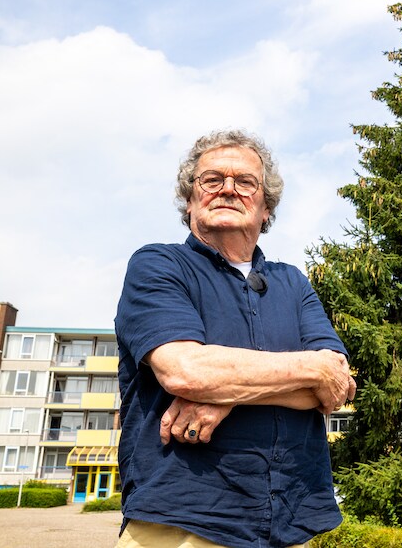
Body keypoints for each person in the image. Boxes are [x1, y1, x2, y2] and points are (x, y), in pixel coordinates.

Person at [114, 129, 357, 548]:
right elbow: (185, 371)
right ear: (190, 201)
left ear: (266, 209)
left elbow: (335, 387)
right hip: (181, 523)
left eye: (246, 182)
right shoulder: (158, 265)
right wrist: (308, 368)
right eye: (211, 180)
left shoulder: (293, 282)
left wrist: (225, 393)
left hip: (291, 522)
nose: (228, 188)